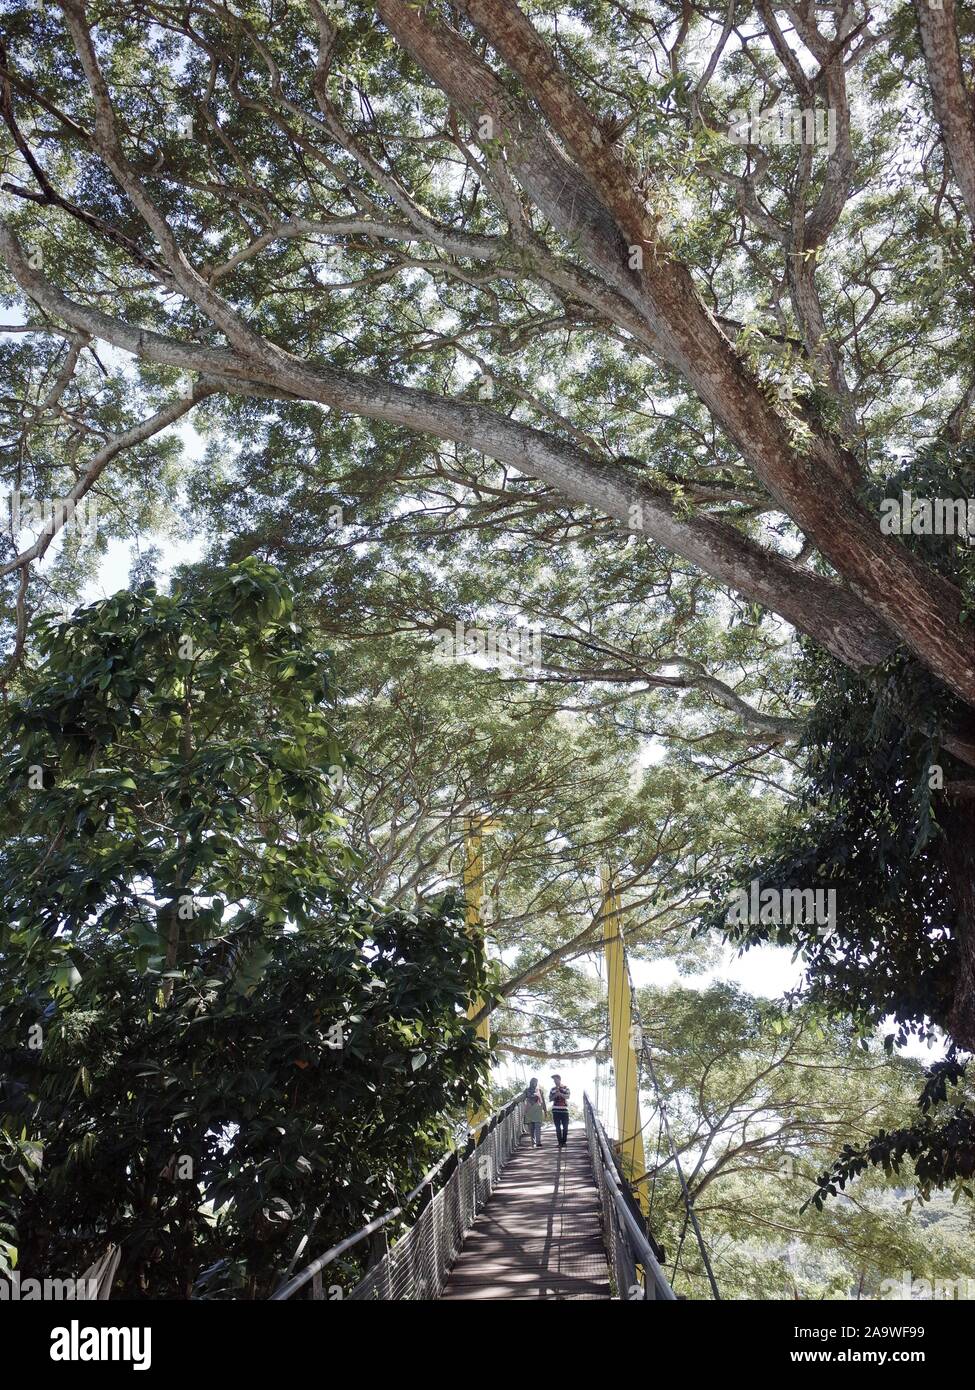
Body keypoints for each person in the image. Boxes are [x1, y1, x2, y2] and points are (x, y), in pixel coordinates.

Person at [524, 1077, 547, 1147]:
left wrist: (545, 1110)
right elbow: (522, 1098)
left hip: (537, 1110)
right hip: (529, 1111)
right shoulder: (526, 1090)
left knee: (538, 1127)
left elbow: (542, 1101)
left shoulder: (539, 1091)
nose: (535, 1083)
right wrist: (514, 1101)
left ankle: (538, 1142)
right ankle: (533, 1141)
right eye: (533, 1082)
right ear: (531, 1082)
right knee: (531, 1128)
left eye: (536, 1082)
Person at [549, 1074, 570, 1146]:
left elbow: (568, 1096)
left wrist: (560, 1094)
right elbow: (550, 1099)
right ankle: (560, 1143)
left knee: (565, 1127)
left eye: (555, 1079)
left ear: (559, 1079)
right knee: (557, 1127)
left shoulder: (566, 1087)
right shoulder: (552, 1089)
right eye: (553, 1080)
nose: (554, 1081)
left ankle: (564, 1142)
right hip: (555, 1110)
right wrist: (555, 1095)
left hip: (564, 1110)